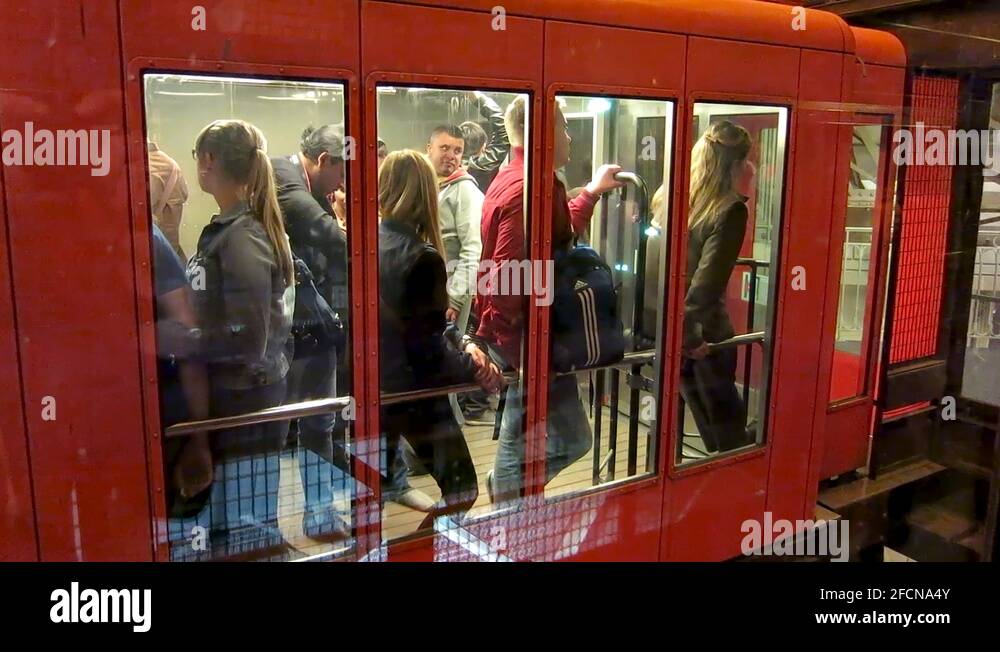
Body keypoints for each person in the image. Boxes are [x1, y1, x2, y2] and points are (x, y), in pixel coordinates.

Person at [473, 96, 622, 503]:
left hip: (530, 336)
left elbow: (550, 242)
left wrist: (590, 192)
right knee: (530, 441)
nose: (568, 135)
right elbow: (506, 275)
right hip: (528, 340)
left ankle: (512, 497)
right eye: (564, 125)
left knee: (559, 437)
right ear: (545, 131)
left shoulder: (521, 178)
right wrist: (520, 352)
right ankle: (509, 510)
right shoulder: (530, 187)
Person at [179, 119, 296, 558]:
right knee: (239, 519)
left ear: (207, 160)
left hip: (246, 398)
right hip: (239, 395)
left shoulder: (243, 235)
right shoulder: (233, 227)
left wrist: (183, 337)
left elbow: (248, 337)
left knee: (246, 524)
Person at [378, 149, 502, 528]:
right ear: (427, 194)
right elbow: (428, 350)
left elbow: (427, 326)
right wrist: (477, 369)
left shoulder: (369, 242)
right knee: (462, 487)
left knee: (370, 493)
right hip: (416, 394)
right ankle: (417, 550)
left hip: (378, 390)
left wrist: (465, 344)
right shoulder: (423, 257)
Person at [271, 125, 352, 542]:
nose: (343, 184)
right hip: (287, 330)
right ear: (323, 161)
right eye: (341, 173)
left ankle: (319, 514)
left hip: (307, 326)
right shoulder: (285, 180)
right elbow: (329, 236)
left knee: (318, 423)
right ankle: (282, 528)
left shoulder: (300, 180)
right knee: (292, 426)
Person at [681, 120, 755, 454]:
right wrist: (692, 336)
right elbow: (706, 283)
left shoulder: (672, 198)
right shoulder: (730, 210)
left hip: (675, 332)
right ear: (737, 164)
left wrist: (678, 332)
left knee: (709, 423)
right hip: (706, 336)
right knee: (728, 436)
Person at [459, 90, 510, 193]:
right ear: (483, 146)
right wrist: (479, 100)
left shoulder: (447, 166)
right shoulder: (483, 164)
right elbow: (502, 131)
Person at [148, 141, 190, 260]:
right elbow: (184, 194)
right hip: (172, 253)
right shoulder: (173, 166)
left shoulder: (144, 168)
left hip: (154, 256)